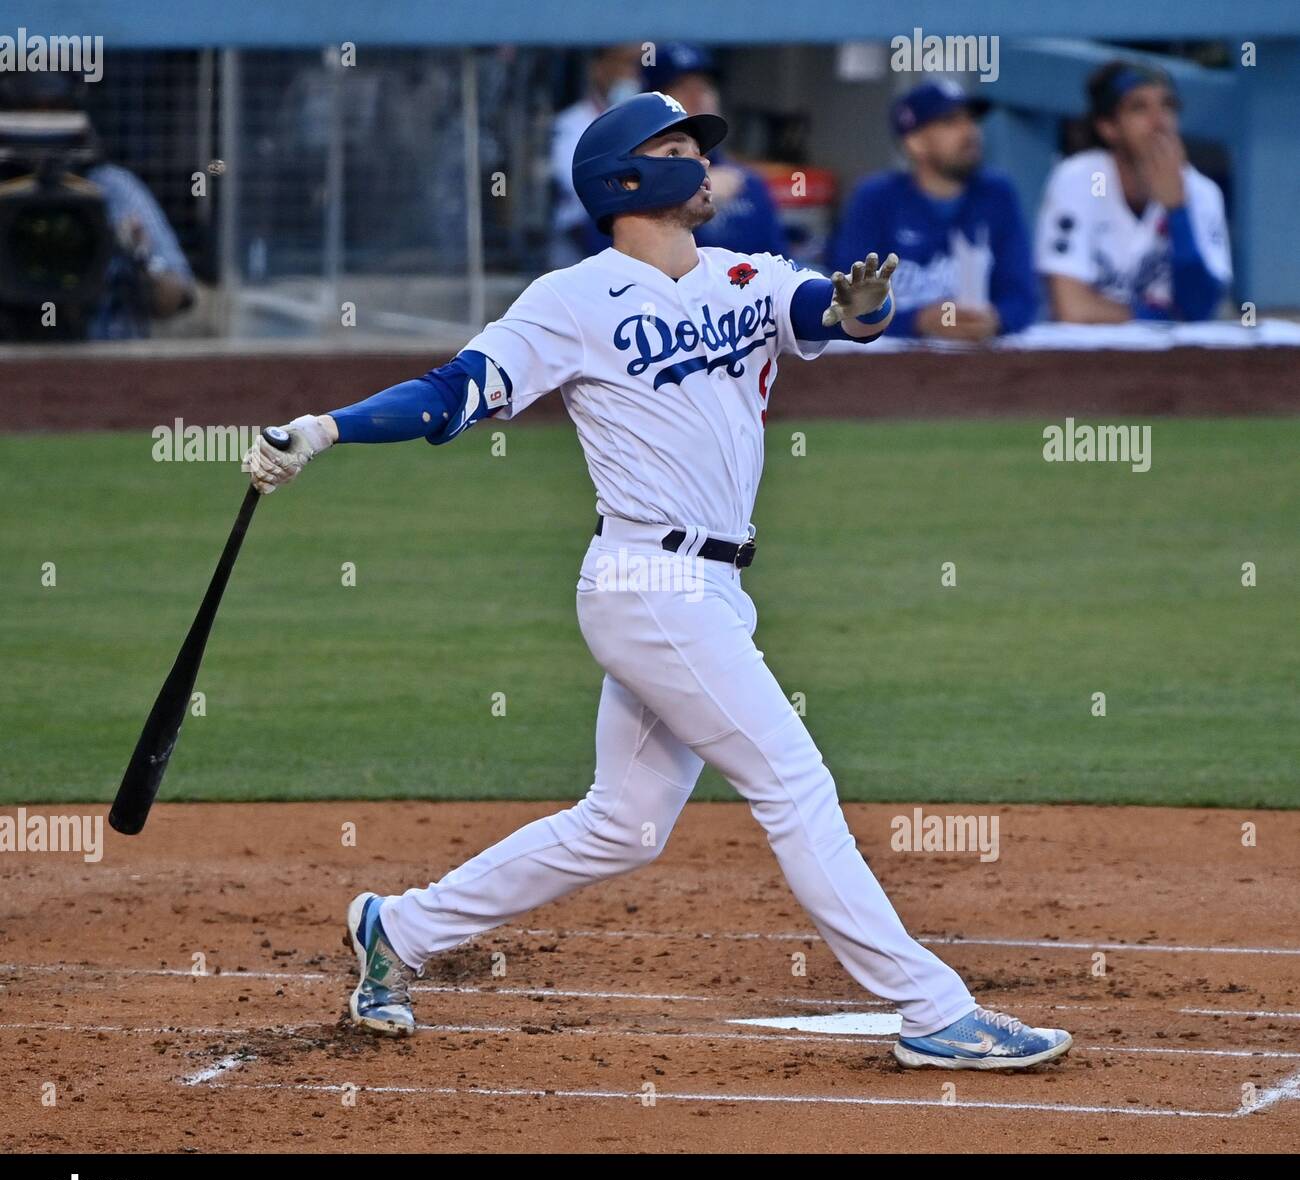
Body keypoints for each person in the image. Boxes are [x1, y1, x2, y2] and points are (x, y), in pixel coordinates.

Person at [243, 91, 1072, 1072]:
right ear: (627, 181)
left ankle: (400, 928)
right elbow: (451, 393)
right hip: (647, 582)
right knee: (794, 781)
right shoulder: (571, 300)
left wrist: (862, 308)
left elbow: (831, 310)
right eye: (681, 148)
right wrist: (323, 428)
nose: (706, 162)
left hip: (708, 590)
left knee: (623, 823)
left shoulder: (746, 275)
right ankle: (931, 1005)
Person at [828, 79, 1037, 342]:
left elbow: (1023, 297)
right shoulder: (875, 198)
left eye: (970, 120)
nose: (969, 131)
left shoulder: (997, 193)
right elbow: (846, 300)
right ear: (915, 142)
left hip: (981, 359)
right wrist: (918, 321)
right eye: (950, 122)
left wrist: (996, 319)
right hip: (889, 364)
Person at [0, 70, 194, 340]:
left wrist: (138, 259)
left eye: (55, 108)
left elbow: (176, 296)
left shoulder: (112, 187)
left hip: (104, 362)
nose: (41, 119)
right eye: (29, 108)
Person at [1036, 60, 1231, 323]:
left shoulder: (1202, 192)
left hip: (1172, 361)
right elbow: (1071, 309)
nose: (1159, 121)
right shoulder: (1080, 179)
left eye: (1168, 106)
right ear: (1108, 127)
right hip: (1085, 359)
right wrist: (1157, 317)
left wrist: (1178, 212)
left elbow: (1200, 310)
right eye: (1139, 108)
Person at [642, 42, 788, 256]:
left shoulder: (748, 182)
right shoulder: (633, 182)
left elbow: (779, 264)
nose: (698, 96)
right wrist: (684, 192)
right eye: (682, 87)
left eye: (705, 86)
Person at [549, 44, 643, 267]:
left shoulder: (649, 121)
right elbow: (578, 180)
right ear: (598, 68)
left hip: (635, 232)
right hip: (578, 237)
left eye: (638, 64)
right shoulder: (571, 122)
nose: (633, 73)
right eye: (626, 63)